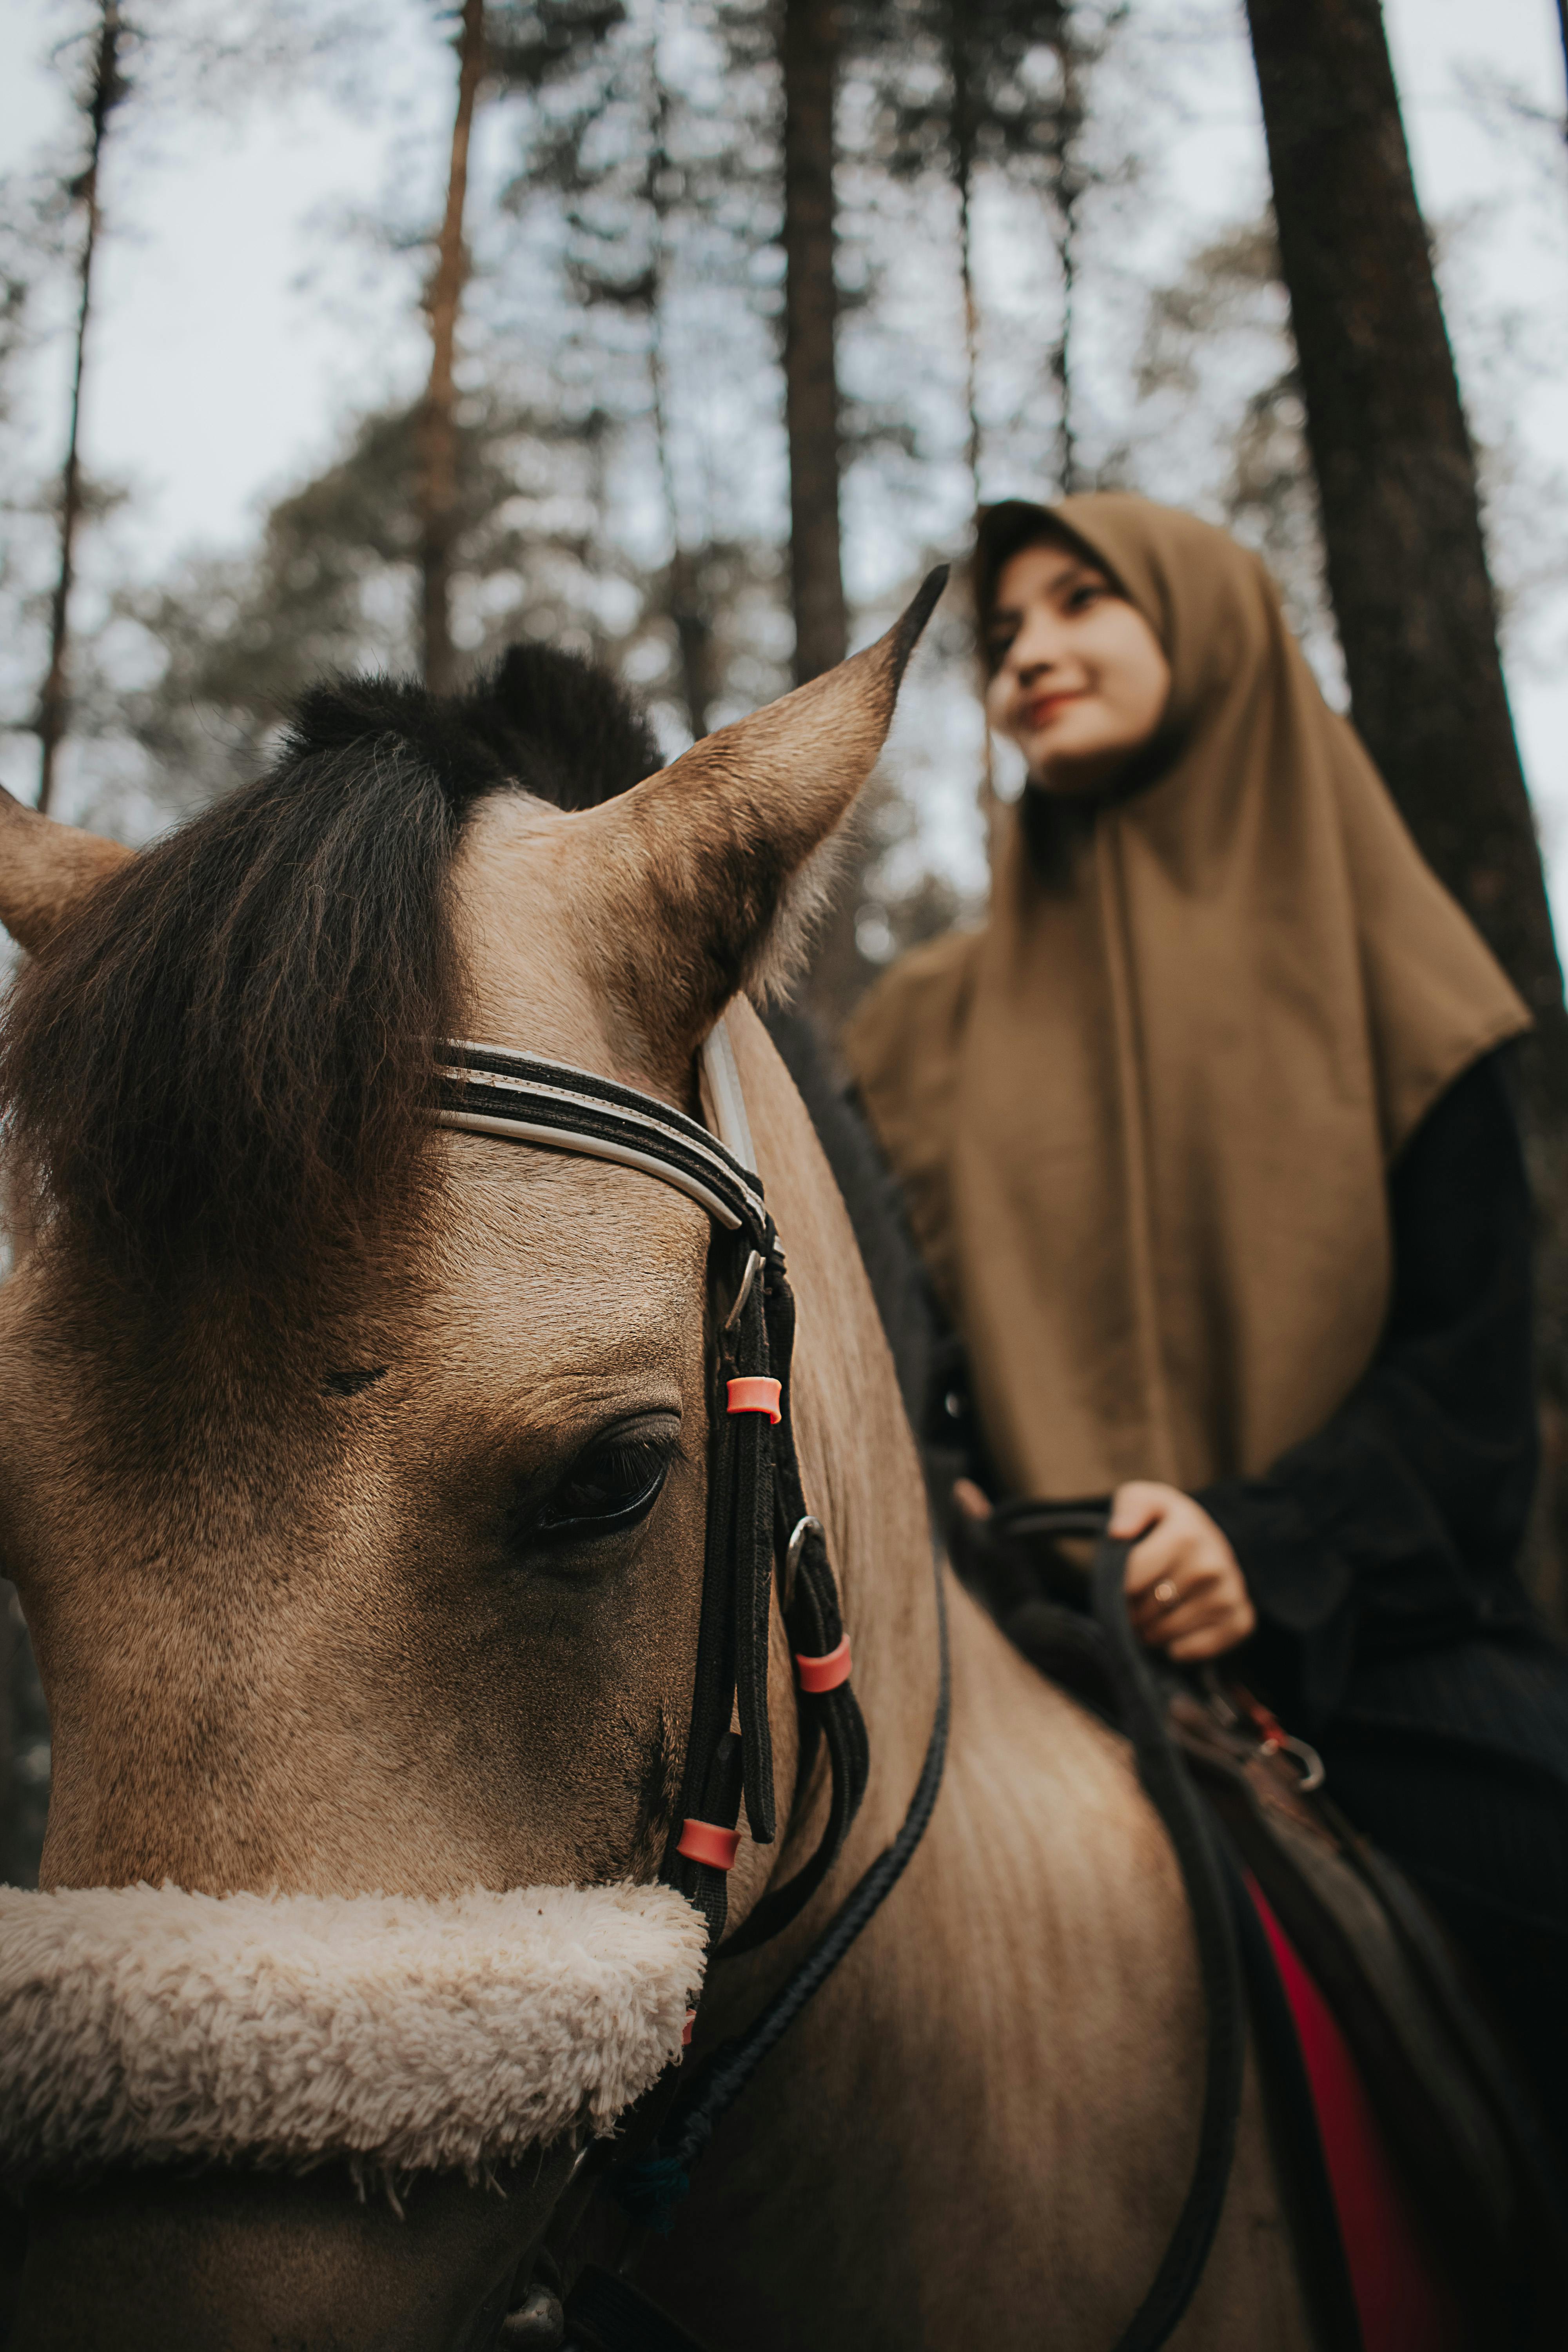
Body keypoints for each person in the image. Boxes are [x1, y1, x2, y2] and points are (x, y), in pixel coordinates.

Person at [843, 493, 1568, 2150]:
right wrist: (951, 1495)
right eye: (1004, 628)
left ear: (1214, 627)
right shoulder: (917, 1032)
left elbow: (1465, 1397)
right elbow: (907, 1362)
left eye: (1082, 601)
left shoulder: (1409, 972)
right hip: (1021, 1647)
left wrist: (1262, 1543)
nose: (1028, 649)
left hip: (1374, 1646)